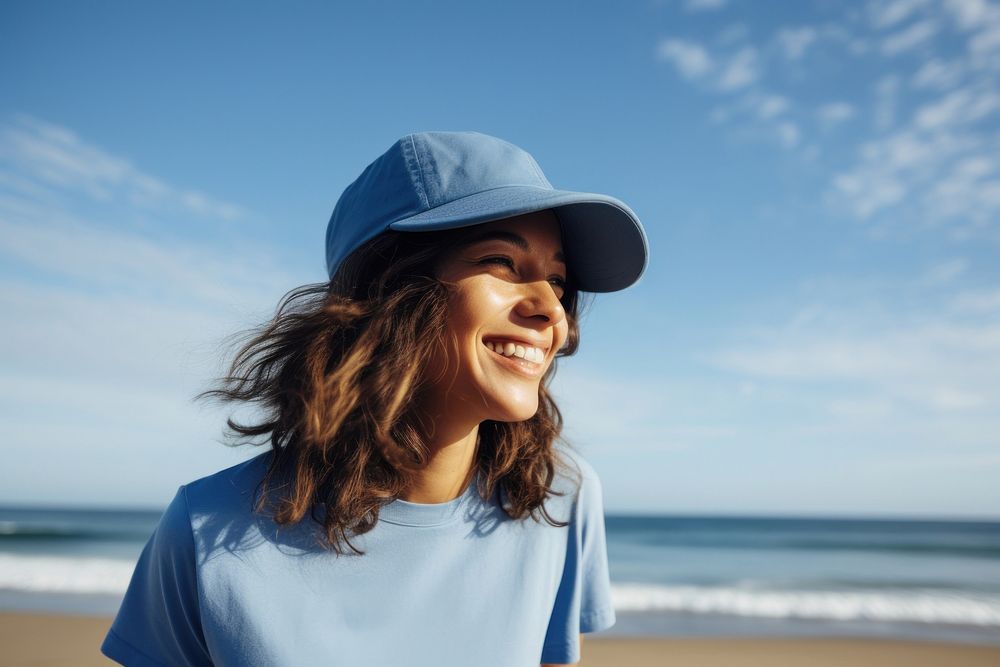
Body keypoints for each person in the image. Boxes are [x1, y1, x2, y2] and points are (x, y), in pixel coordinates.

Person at [100, 131, 648, 666]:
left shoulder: (560, 499)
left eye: (557, 280)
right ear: (385, 292)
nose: (552, 311)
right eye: (502, 263)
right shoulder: (202, 531)